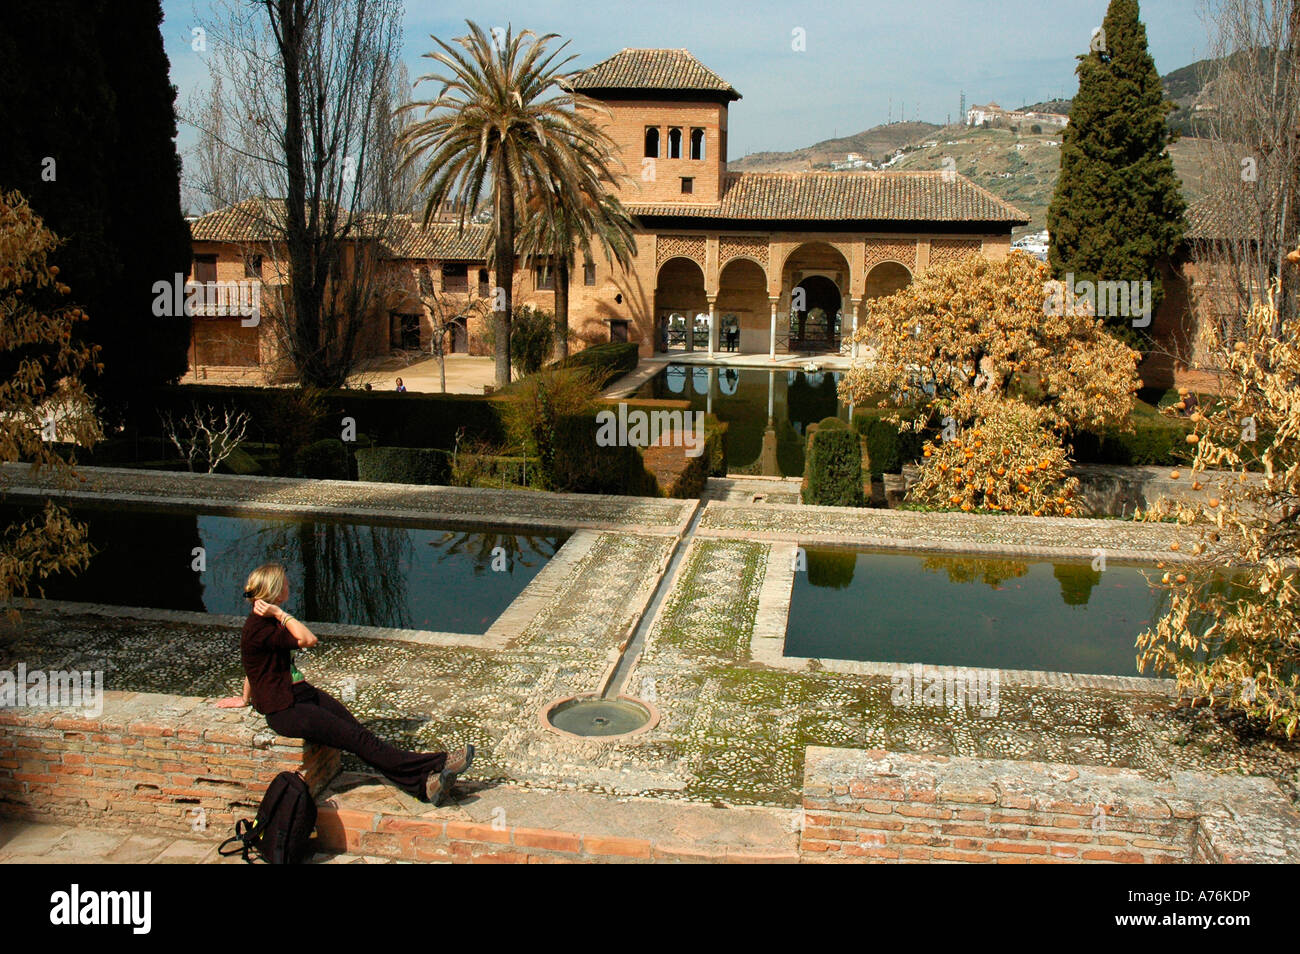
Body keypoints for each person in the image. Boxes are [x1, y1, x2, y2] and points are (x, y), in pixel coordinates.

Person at [216, 563, 472, 806]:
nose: (288, 585)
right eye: (284, 582)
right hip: (285, 709)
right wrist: (281, 614)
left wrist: (245, 698)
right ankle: (439, 763)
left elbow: (253, 667)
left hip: (301, 694)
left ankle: (425, 786)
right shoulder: (260, 627)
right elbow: (308, 639)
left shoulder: (265, 623)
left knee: (362, 737)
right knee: (359, 740)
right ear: (273, 591)